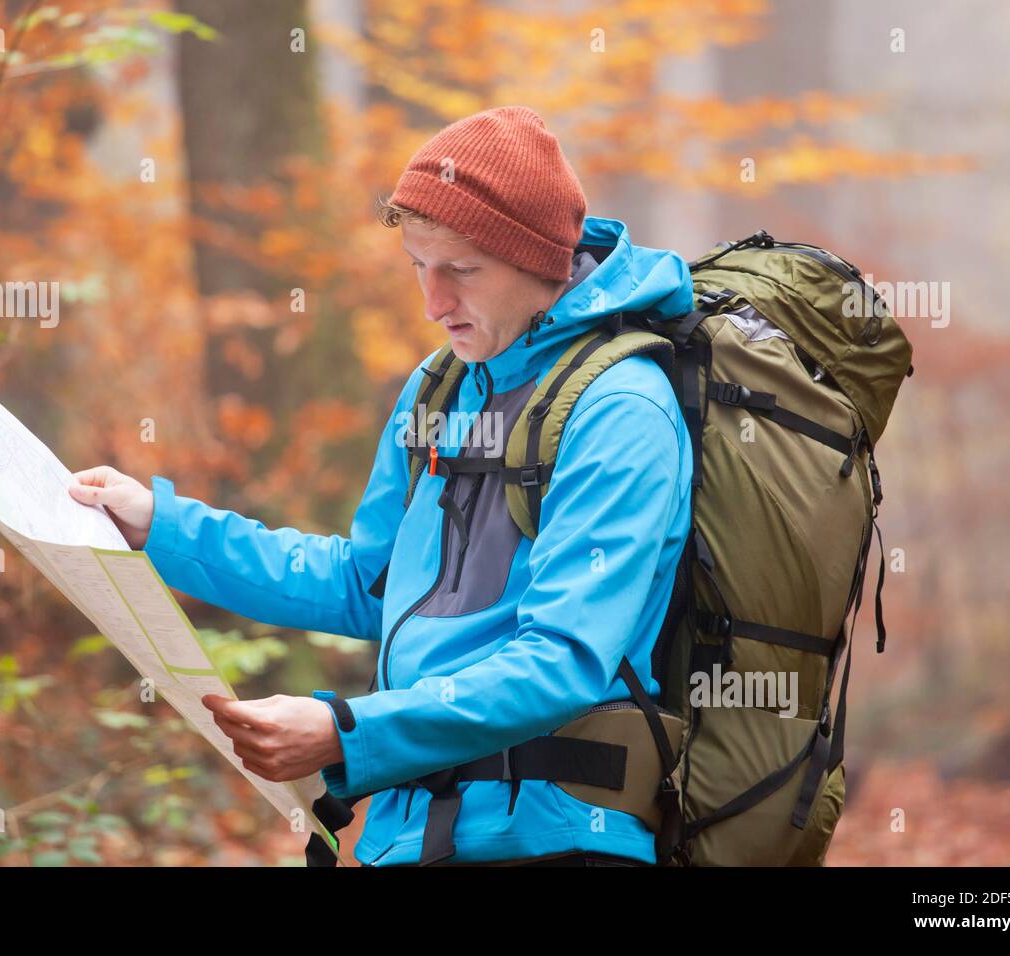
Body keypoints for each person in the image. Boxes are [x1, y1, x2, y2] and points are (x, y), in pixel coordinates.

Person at [68, 105, 695, 866]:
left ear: (544, 263)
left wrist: (346, 733)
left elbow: (563, 661)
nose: (433, 304)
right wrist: (160, 528)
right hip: (409, 836)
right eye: (418, 269)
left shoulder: (620, 410)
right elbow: (368, 584)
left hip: (554, 837)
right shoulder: (440, 390)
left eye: (461, 271)